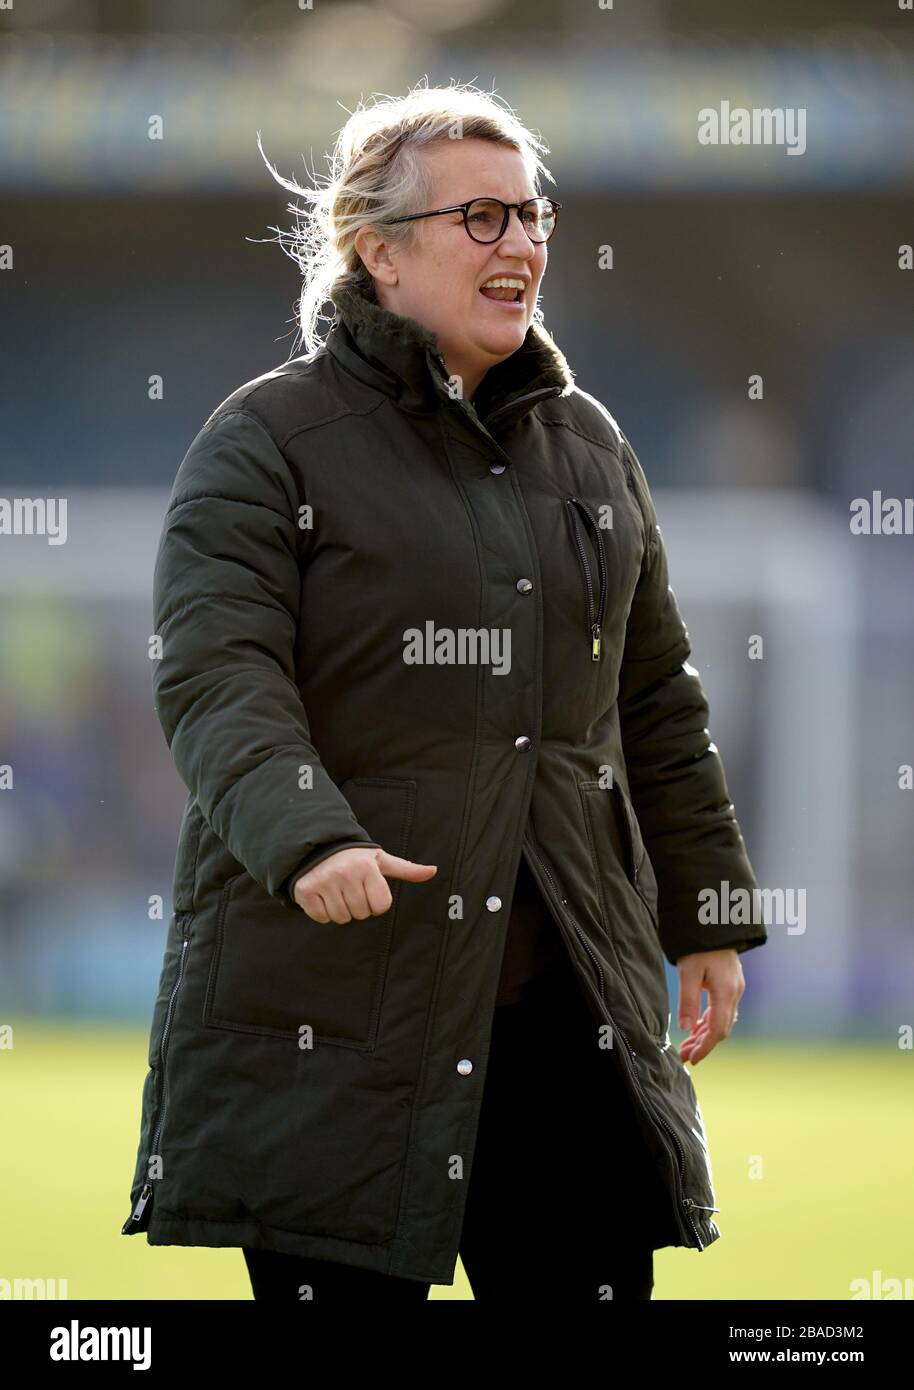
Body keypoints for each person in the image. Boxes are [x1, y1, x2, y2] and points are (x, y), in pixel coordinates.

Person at [121, 80, 766, 1302]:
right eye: (480, 218)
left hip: (566, 1016)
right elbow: (216, 667)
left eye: (532, 216)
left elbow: (655, 697)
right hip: (339, 1006)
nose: (520, 242)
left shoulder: (588, 444)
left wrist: (708, 907)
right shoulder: (265, 439)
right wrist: (308, 836)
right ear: (377, 253)